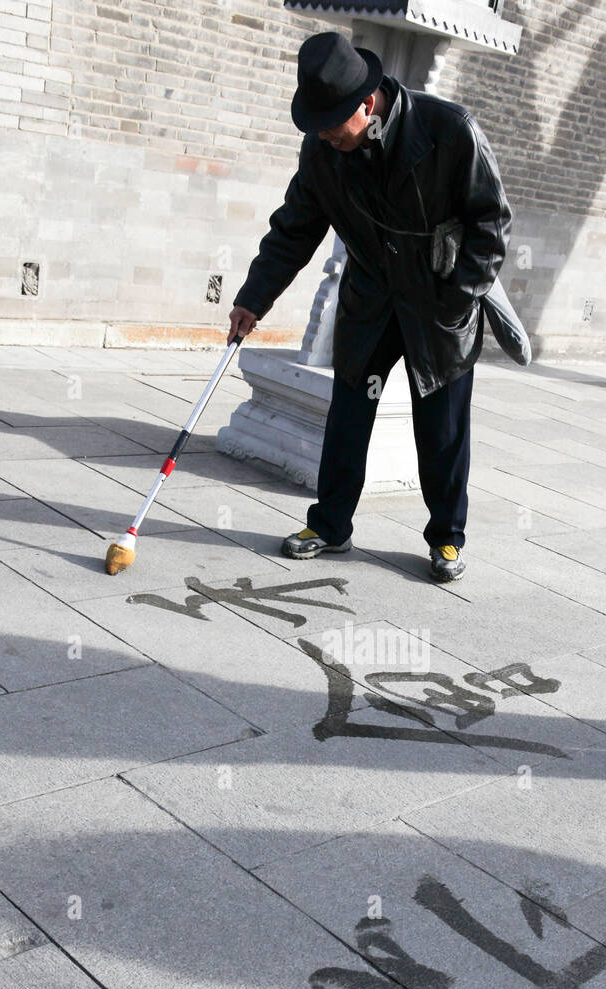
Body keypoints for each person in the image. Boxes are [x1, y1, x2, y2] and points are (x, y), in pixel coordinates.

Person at [227, 29, 513, 582]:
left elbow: (491, 223)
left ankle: (447, 537)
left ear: (367, 103)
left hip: (438, 306)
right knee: (348, 416)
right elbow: (294, 230)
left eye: (334, 129)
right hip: (371, 301)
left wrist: (458, 298)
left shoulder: (448, 131)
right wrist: (253, 298)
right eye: (319, 131)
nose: (327, 139)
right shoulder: (323, 151)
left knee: (442, 428)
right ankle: (330, 526)